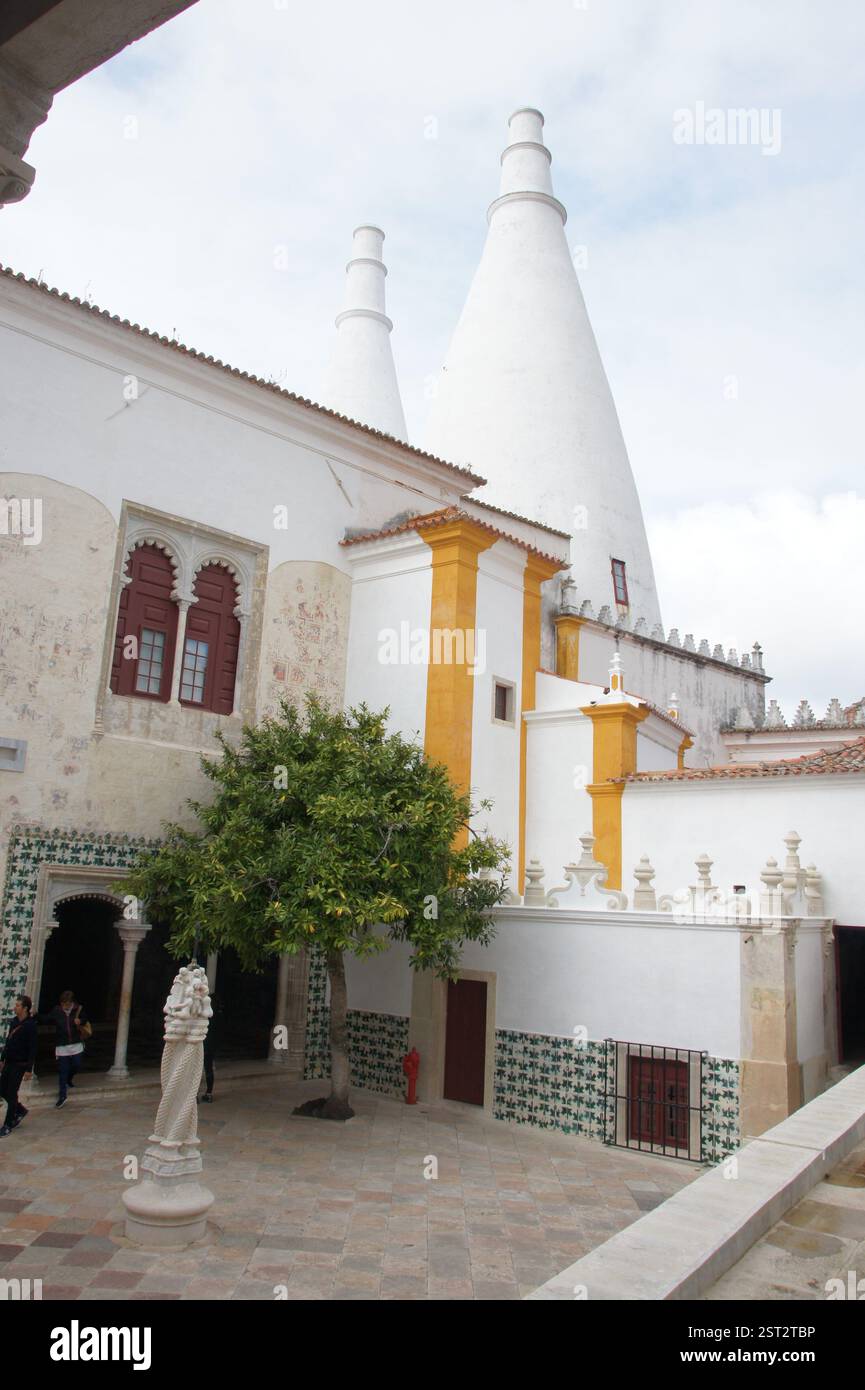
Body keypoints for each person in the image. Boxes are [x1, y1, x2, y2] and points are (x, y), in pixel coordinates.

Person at [0, 995, 38, 1137]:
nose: (15, 1007)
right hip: (9, 1062)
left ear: (25, 1008)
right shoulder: (14, 1022)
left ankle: (8, 1124)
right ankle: (20, 1109)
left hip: (20, 1064)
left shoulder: (30, 1026)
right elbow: (9, 1041)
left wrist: (29, 1069)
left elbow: (33, 1048)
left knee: (11, 1093)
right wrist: (2, 1059)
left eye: (17, 1005)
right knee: (2, 1090)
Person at [47, 989, 89, 1108]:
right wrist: (35, 1015)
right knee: (62, 1070)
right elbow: (47, 1019)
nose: (64, 1006)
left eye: (66, 1003)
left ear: (71, 1002)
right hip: (62, 1045)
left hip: (76, 1044)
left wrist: (80, 1020)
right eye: (63, 1003)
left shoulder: (78, 1009)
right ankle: (62, 1095)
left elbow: (85, 1019)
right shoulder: (57, 1011)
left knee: (76, 1064)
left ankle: (69, 1078)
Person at [198, 990, 222, 1104]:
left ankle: (194, 1095)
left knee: (196, 1070)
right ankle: (209, 1093)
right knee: (208, 1069)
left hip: (201, 1044)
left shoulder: (205, 1015)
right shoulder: (218, 1015)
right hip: (211, 1046)